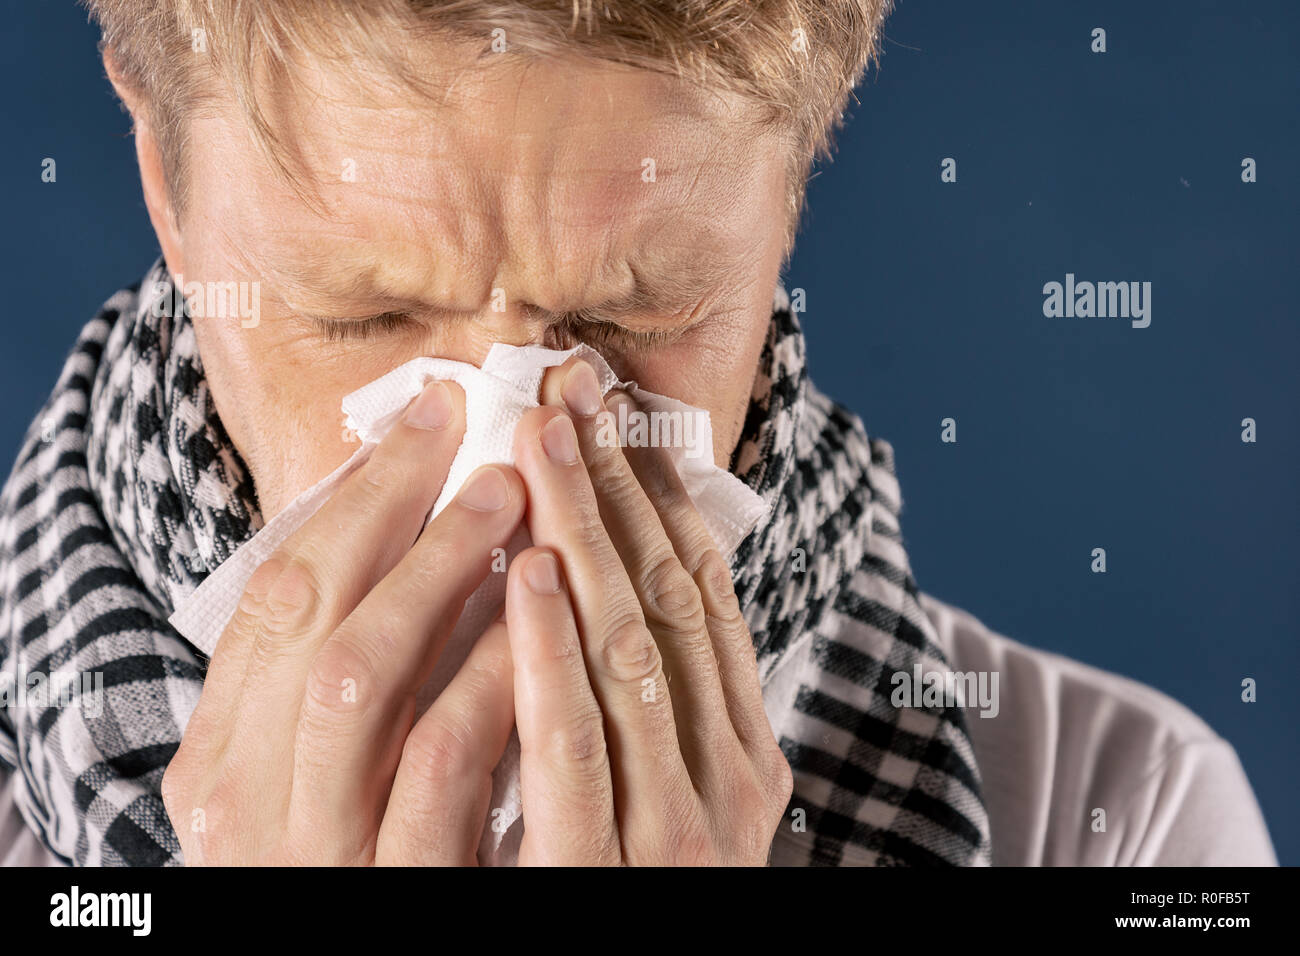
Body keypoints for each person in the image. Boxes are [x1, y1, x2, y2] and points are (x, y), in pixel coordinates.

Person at [0, 0, 1275, 866]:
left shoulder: (1128, 814)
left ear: (787, 207)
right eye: (363, 309)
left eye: (633, 313)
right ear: (164, 181)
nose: (497, 465)